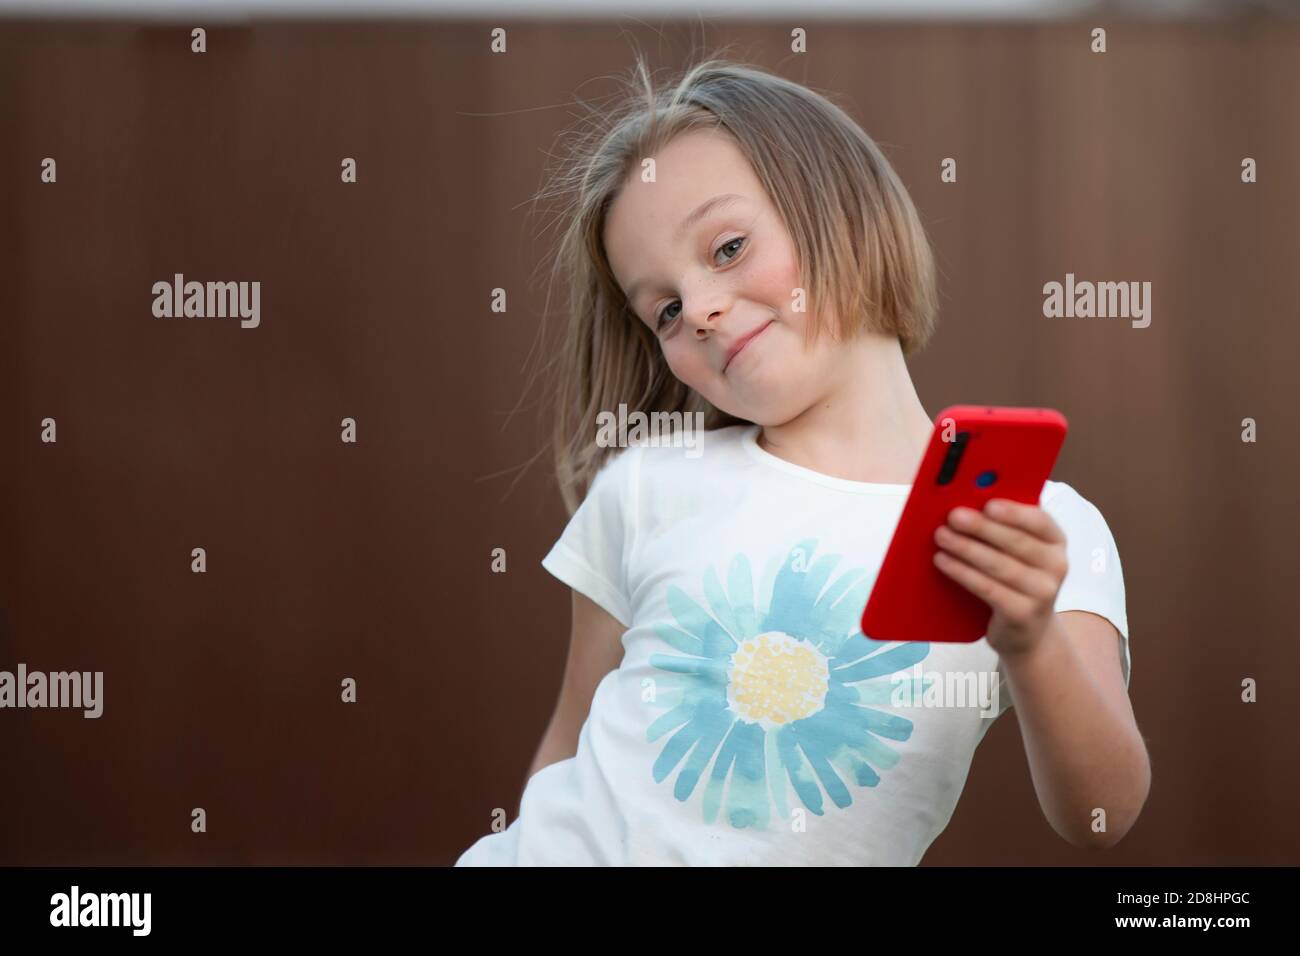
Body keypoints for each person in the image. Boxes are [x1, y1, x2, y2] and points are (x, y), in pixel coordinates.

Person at [456, 57, 1148, 866]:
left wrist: (1030, 640)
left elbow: (1103, 812)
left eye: (728, 247)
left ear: (844, 207)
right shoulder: (647, 489)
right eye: (666, 311)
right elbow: (568, 758)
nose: (702, 310)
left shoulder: (1040, 522)